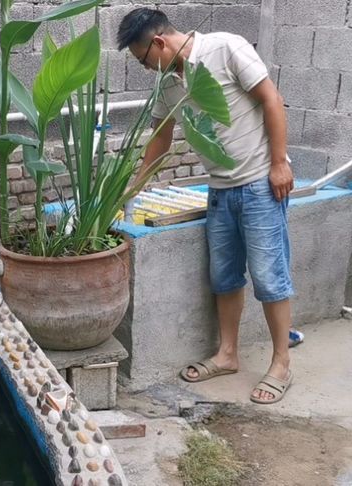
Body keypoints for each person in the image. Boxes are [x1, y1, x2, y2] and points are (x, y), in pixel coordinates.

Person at [117, 8, 296, 404]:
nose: (148, 70)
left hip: (260, 185)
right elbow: (160, 139)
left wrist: (280, 163)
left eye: (145, 61)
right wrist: (133, 190)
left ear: (160, 43)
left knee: (269, 277)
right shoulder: (169, 83)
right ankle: (227, 354)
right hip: (218, 190)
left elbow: (272, 98)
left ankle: (281, 362)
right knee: (225, 277)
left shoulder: (226, 48)